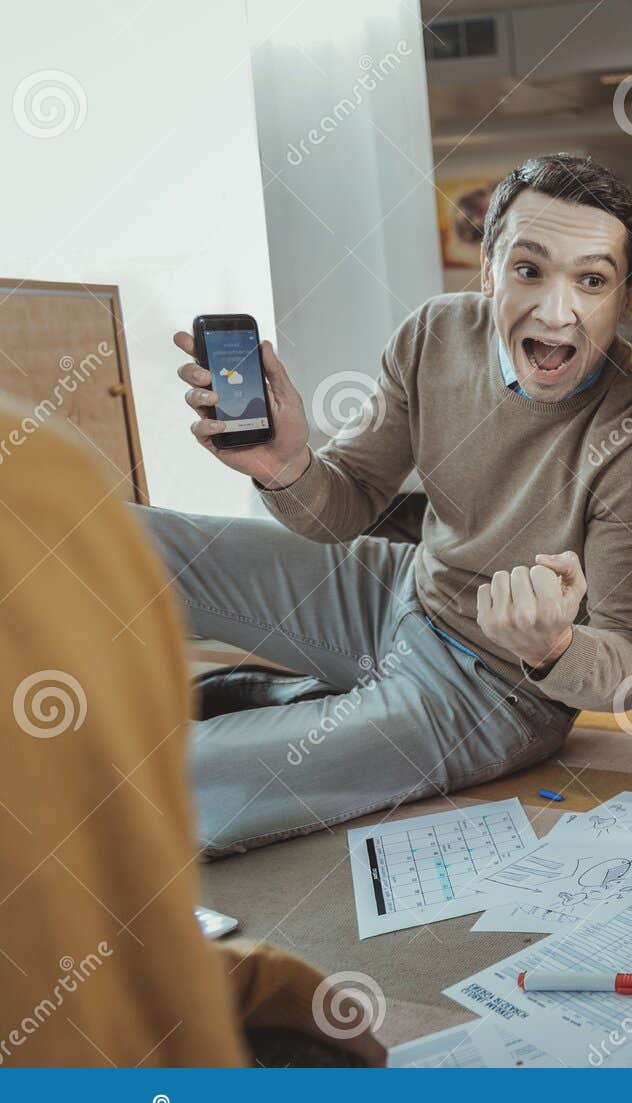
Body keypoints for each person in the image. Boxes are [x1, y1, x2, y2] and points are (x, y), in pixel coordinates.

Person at [145, 153, 632, 855]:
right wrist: (287, 466)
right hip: (400, 590)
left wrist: (555, 647)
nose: (557, 311)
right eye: (528, 269)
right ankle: (303, 694)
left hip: (494, 690)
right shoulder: (435, 333)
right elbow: (346, 505)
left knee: (172, 783)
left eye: (592, 280)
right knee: (115, 540)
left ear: (628, 297)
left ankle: (300, 703)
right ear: (487, 271)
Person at [0, 405, 382, 1066]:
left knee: (85, 521)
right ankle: (248, 695)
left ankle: (243, 695)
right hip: (404, 593)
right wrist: (289, 468)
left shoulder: (41, 480)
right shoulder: (35, 482)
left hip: (478, 661)